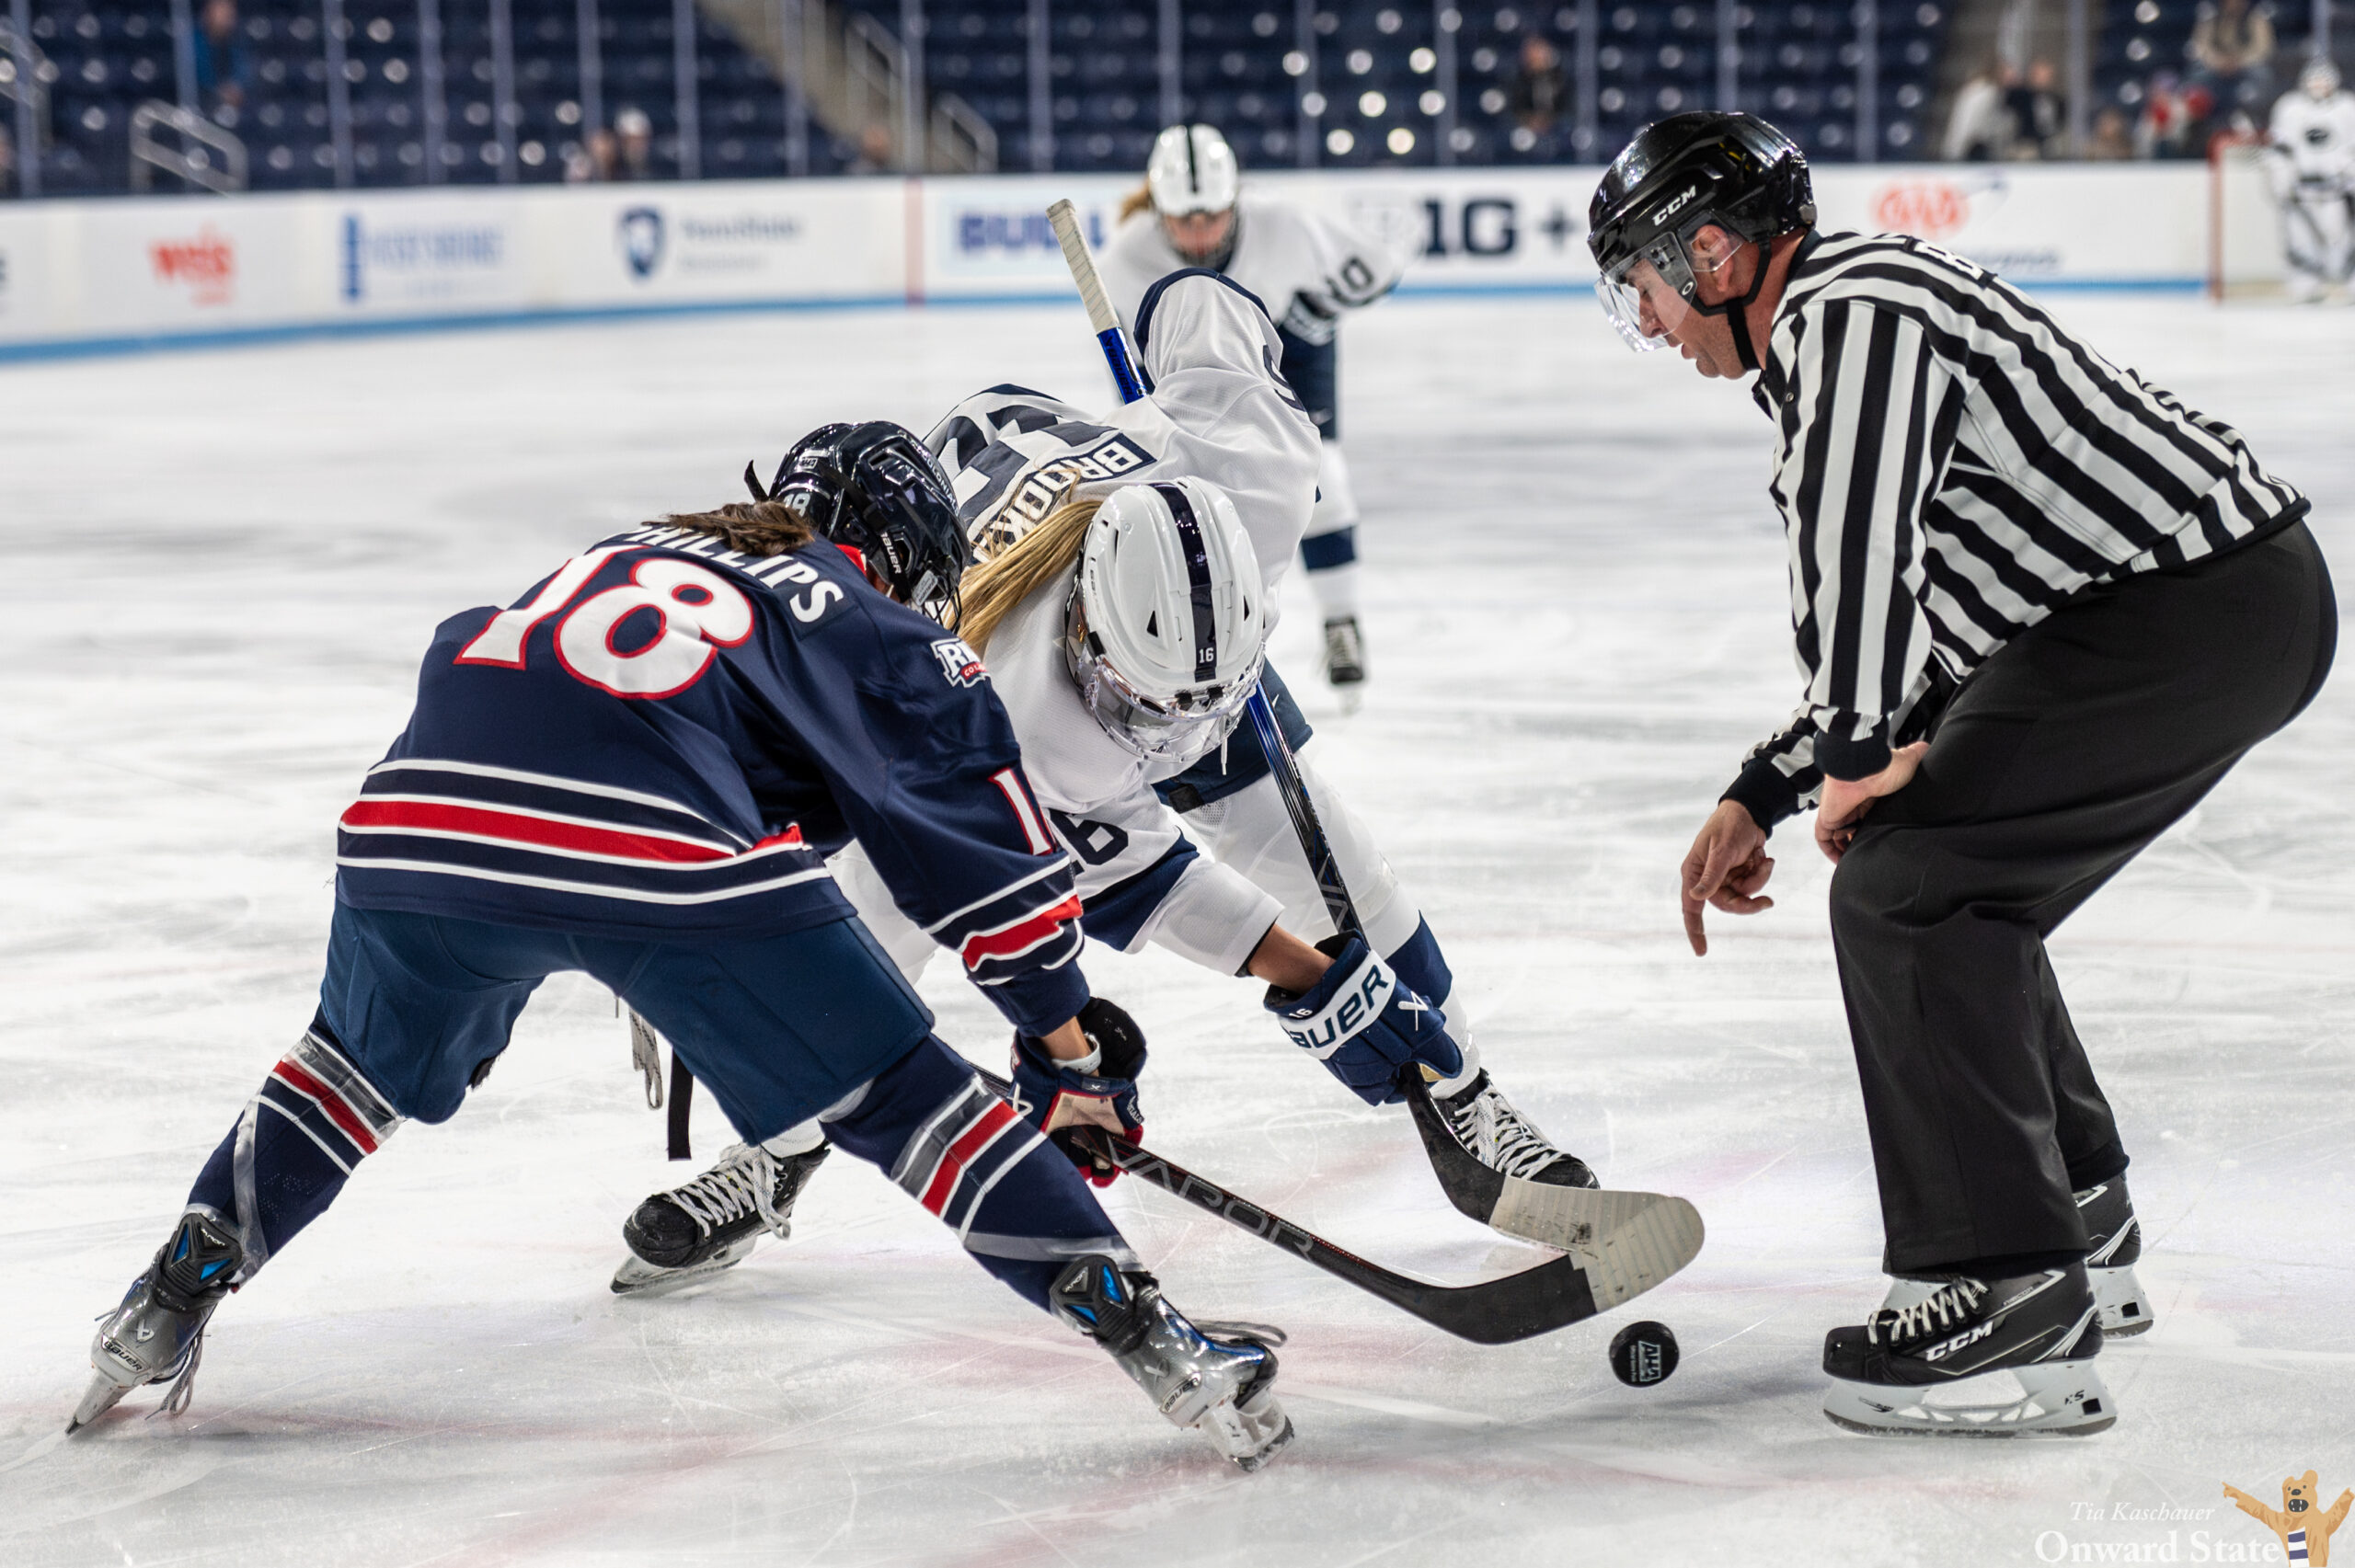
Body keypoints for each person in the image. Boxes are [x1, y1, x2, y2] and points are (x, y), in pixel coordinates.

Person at [68, 423, 1294, 1472]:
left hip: (416, 822)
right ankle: (1156, 1339)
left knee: (348, 1068)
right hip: (650, 853)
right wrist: (1067, 1051)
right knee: (911, 1099)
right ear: (902, 553)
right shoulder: (852, 604)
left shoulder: (630, 548)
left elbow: (544, 701)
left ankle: (170, 1289)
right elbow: (991, 859)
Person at [615, 272, 1601, 1294]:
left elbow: (1201, 307)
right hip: (1025, 702)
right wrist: (1278, 990)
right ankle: (781, 1142)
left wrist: (1176, 293)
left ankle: (1467, 1093)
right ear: (1086, 628)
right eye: (1139, 708)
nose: (1160, 740)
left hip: (1202, 667)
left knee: (1353, 885)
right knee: (864, 938)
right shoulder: (1009, 706)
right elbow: (1131, 886)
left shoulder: (1251, 475)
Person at [1591, 111, 2335, 1436]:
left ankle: (2007, 1292)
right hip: (2168, 608)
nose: (1648, 327)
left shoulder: (1854, 314)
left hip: (2189, 612)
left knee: (1913, 892)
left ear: (1708, 252)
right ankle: (2078, 1224)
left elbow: (1861, 565)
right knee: (1946, 878)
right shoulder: (1849, 317)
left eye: (1642, 288)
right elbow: (1950, 609)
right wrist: (1765, 786)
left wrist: (1858, 757)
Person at [1097, 124, 1410, 702]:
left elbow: (1379, 268)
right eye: (1183, 220)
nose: (1198, 233)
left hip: (1284, 358)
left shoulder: (1285, 225)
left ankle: (1342, 623)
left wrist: (1320, 309)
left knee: (1324, 480)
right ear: (1159, 211)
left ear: (1236, 201)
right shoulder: (1124, 259)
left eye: (1211, 216)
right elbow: (1131, 373)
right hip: (1191, 379)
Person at [2266, 56, 2355, 303]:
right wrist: (2281, 178)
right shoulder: (2290, 108)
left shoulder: (2348, 107)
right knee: (2300, 238)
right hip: (2302, 188)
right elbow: (2280, 149)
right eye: (2314, 79)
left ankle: (2350, 282)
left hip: (2338, 187)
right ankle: (2305, 285)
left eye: (2324, 79)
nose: (2318, 84)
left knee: (2342, 236)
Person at [2190, 0, 2278, 111]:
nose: (2234, 4)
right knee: (2196, 74)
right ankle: (2200, 111)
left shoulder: (2257, 19)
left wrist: (2239, 61)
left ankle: (2254, 111)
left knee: (2263, 74)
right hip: (2217, 68)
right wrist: (2219, 62)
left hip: (2245, 66)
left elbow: (2263, 50)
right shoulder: (2211, 18)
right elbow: (2202, 48)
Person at [1506, 34, 1571, 146]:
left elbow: (1569, 107)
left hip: (1557, 130)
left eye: (1539, 53)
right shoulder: (1516, 80)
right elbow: (1512, 108)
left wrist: (1549, 121)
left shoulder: (1561, 77)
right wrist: (1529, 121)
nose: (1536, 57)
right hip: (1525, 130)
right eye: (1531, 54)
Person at [191, 0, 251, 119]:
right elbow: (197, 74)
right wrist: (219, 92)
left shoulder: (238, 41)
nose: (227, 13)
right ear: (207, 11)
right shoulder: (194, 41)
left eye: (230, 8)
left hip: (234, 103)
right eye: (220, 7)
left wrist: (236, 86)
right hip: (203, 103)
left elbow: (243, 70)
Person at [615, 106, 654, 178]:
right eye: (631, 140)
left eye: (641, 139)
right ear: (621, 141)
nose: (636, 145)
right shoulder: (613, 171)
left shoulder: (660, 168)